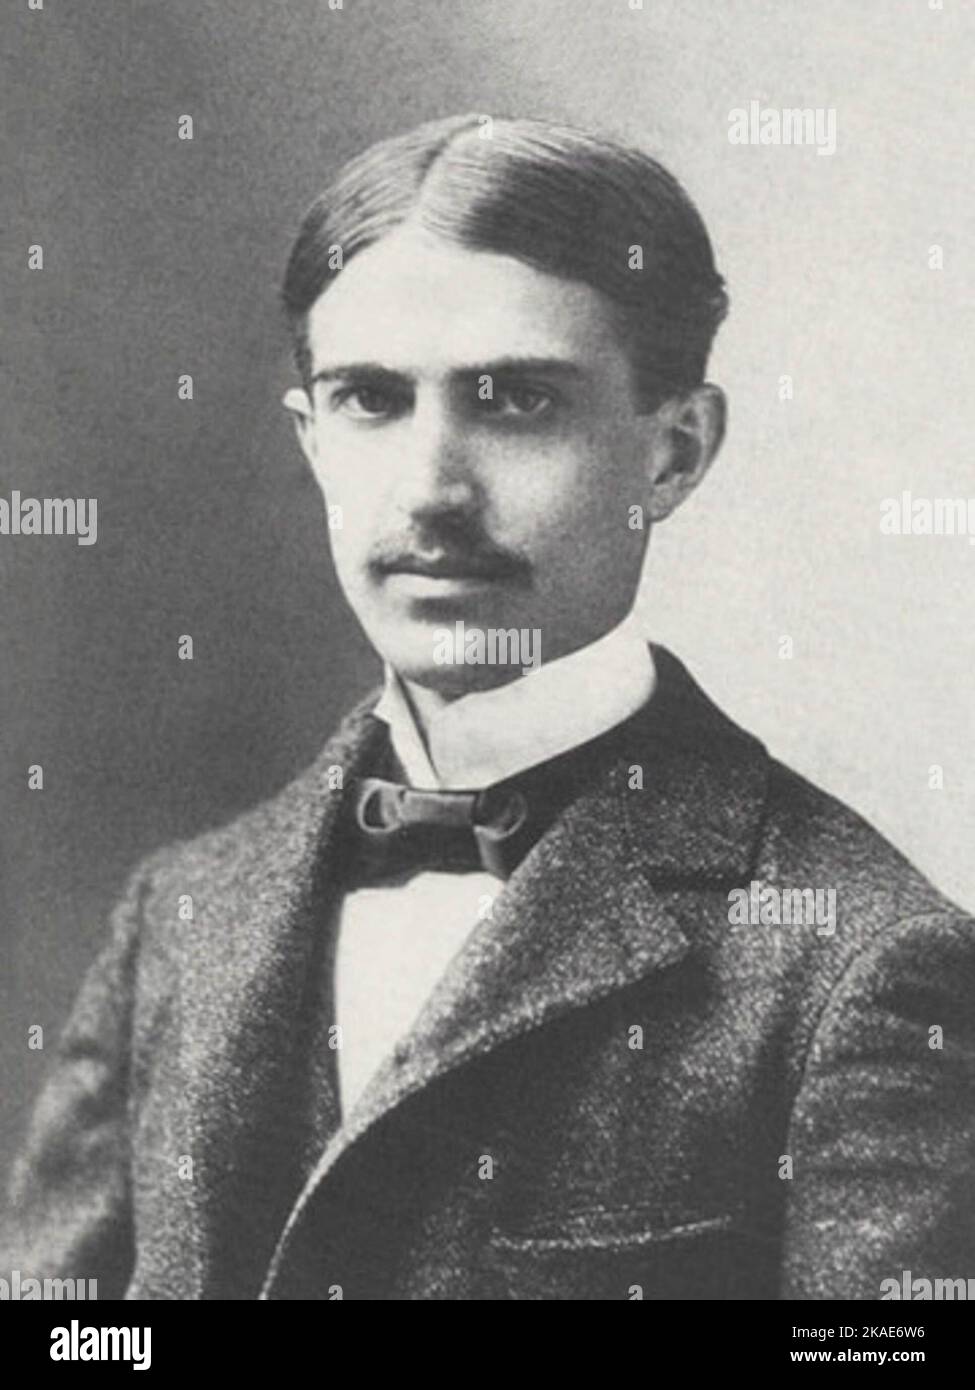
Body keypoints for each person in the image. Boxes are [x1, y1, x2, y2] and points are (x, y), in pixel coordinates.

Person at [5, 114, 975, 1301]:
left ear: (674, 453)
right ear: (313, 444)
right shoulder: (178, 913)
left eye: (515, 400)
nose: (430, 491)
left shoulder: (862, 962)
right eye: (370, 400)